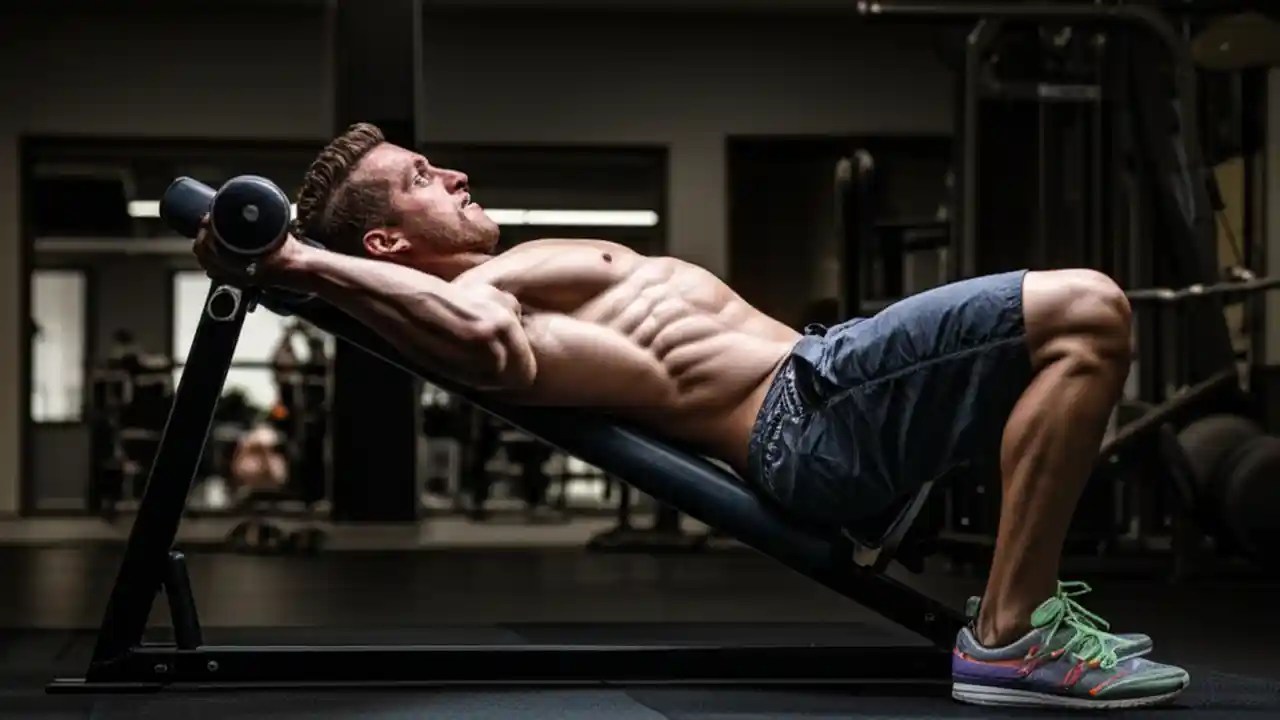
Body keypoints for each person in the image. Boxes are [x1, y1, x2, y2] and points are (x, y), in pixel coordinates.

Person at [193, 122, 1188, 710]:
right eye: (421, 180)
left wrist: (305, 266)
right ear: (386, 242)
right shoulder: (485, 300)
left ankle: (1024, 612)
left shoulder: (497, 284)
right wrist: (294, 263)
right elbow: (480, 345)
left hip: (820, 385)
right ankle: (1009, 636)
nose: (451, 175)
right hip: (812, 409)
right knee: (1085, 308)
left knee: (1069, 346)